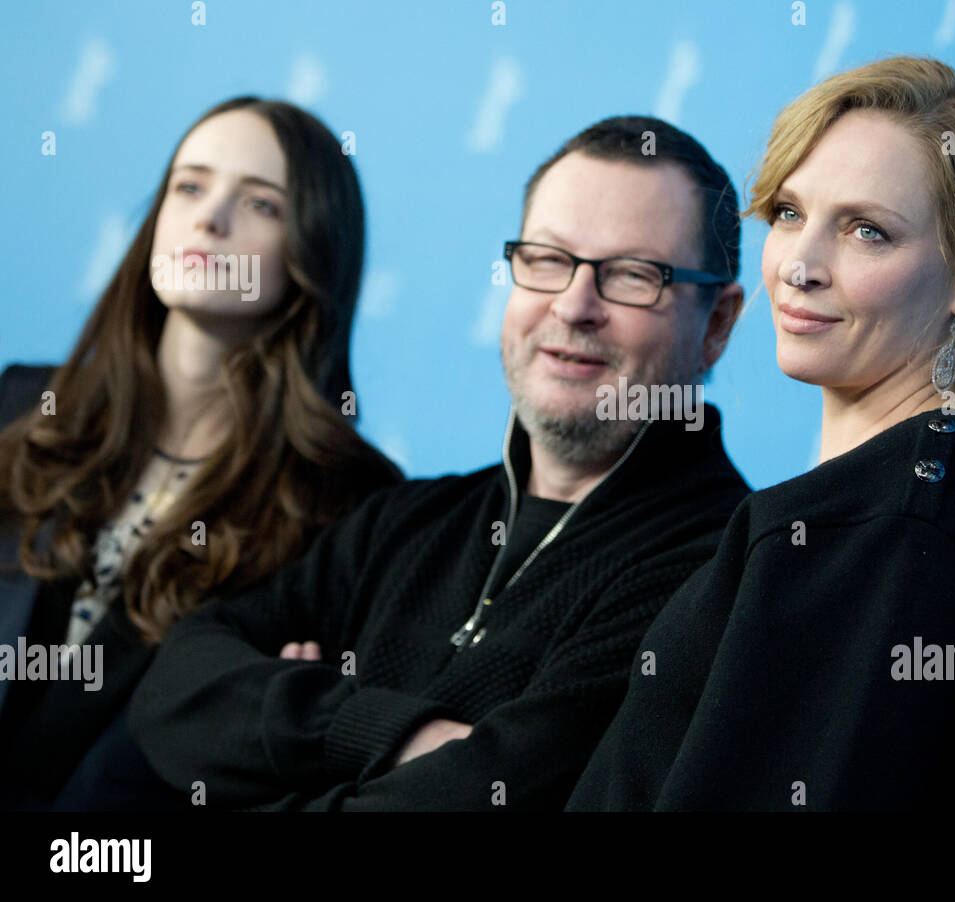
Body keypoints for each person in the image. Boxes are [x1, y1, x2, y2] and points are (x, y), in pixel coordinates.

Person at [127, 115, 751, 810]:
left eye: (635, 275)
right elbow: (171, 692)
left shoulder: (720, 571)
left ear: (718, 323)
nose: (574, 305)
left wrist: (280, 739)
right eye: (547, 259)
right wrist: (376, 732)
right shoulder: (402, 521)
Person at [567, 55, 955, 811]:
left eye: (868, 232)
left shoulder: (895, 528)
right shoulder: (881, 508)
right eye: (791, 214)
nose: (799, 266)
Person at [0, 97, 403, 810]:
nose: (208, 219)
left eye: (260, 204)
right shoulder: (20, 406)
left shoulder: (350, 503)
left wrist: (285, 716)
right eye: (189, 186)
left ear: (313, 248)